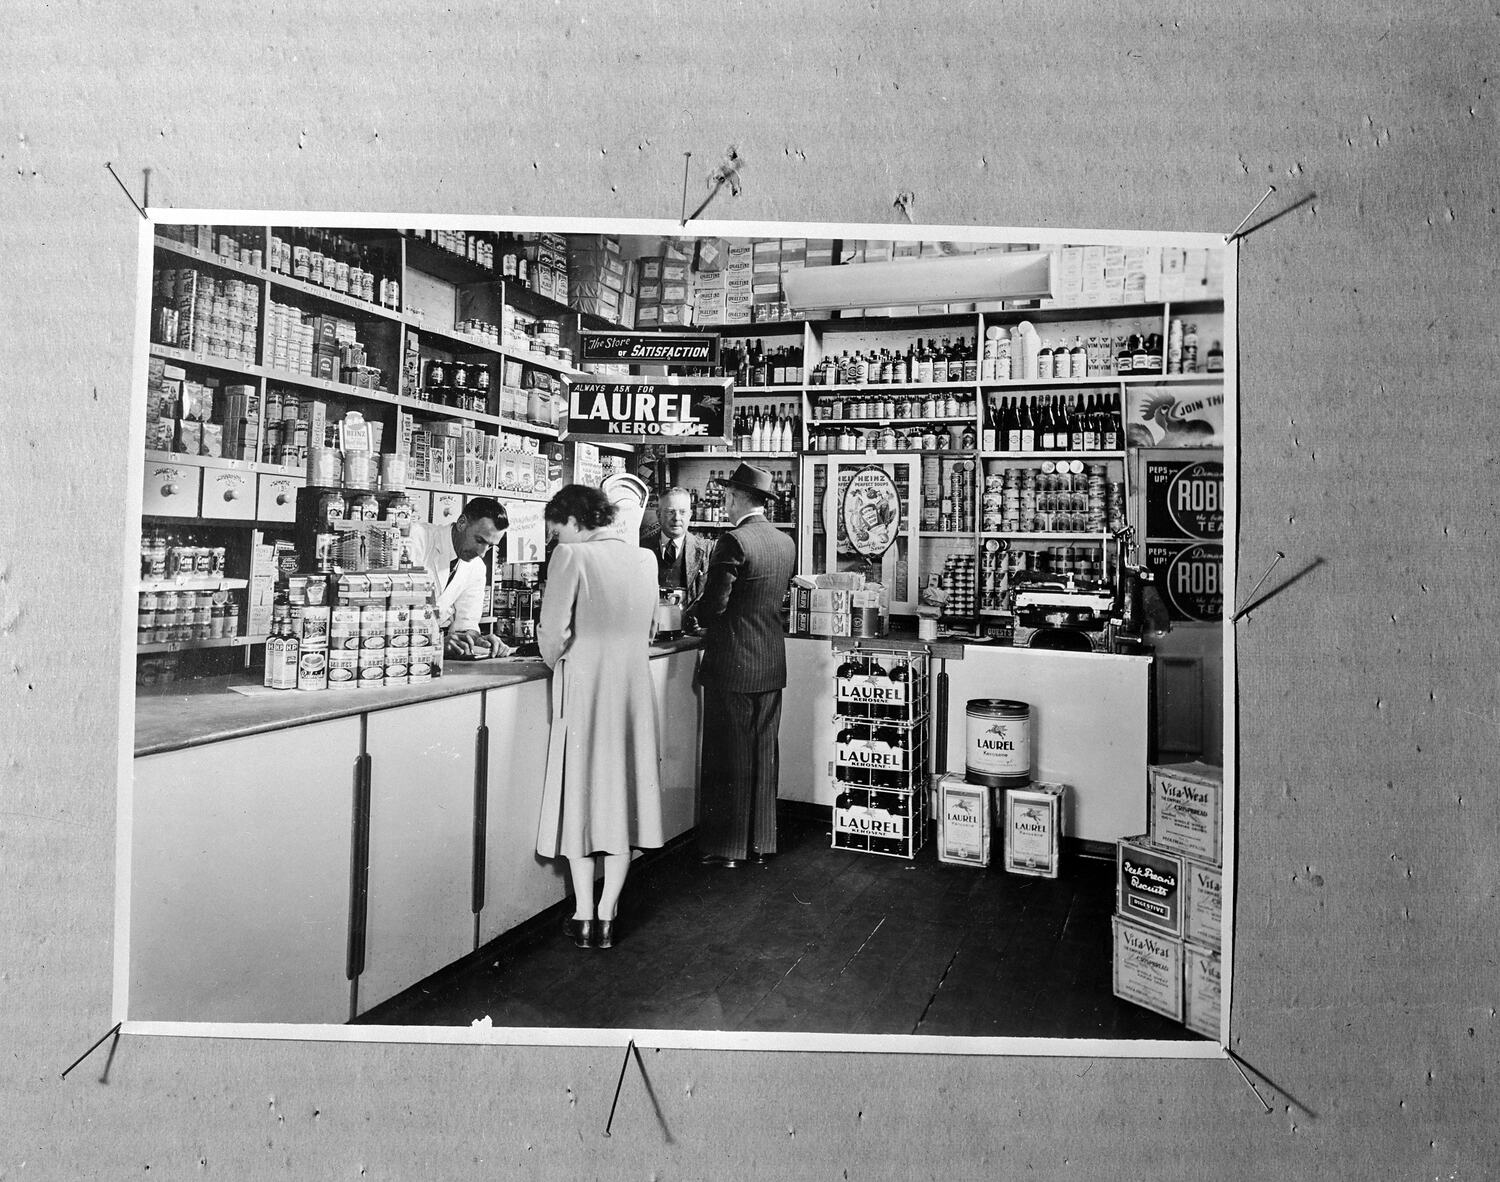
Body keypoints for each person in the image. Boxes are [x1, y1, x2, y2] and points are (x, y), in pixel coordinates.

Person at [535, 483, 664, 949]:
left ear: (574, 520)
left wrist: (560, 662)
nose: (555, 541)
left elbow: (553, 633)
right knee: (622, 799)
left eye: (556, 531)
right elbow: (649, 626)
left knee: (581, 799)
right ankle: (608, 913)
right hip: (631, 689)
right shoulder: (645, 559)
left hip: (586, 689)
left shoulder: (572, 558)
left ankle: (583, 913)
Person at [694, 462, 796, 868]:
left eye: (727, 498)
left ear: (736, 498)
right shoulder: (784, 543)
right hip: (770, 661)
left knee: (729, 754)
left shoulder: (734, 541)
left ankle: (729, 848)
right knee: (763, 753)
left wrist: (690, 615)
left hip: (733, 663)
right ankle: (761, 843)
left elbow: (715, 605)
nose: (725, 504)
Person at [403, 496, 512, 658]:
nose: (482, 553)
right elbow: (397, 608)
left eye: (489, 546)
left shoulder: (476, 567)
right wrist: (435, 642)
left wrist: (478, 641)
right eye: (479, 540)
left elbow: (466, 621)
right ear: (462, 523)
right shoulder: (415, 538)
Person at [639, 486, 712, 624]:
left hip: (689, 635)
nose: (677, 518)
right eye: (670, 512)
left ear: (690, 515)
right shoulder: (641, 548)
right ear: (658, 514)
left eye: (682, 512)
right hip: (651, 631)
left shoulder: (706, 550)